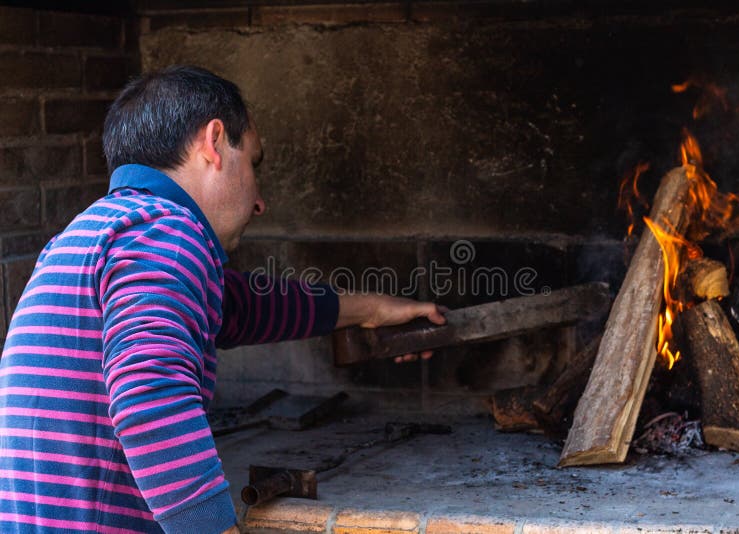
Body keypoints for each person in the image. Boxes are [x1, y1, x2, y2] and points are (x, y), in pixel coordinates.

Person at [0, 65, 445, 533]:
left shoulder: (95, 235)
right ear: (213, 142)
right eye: (254, 162)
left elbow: (239, 307)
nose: (259, 201)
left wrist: (372, 310)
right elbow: (150, 396)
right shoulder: (168, 234)